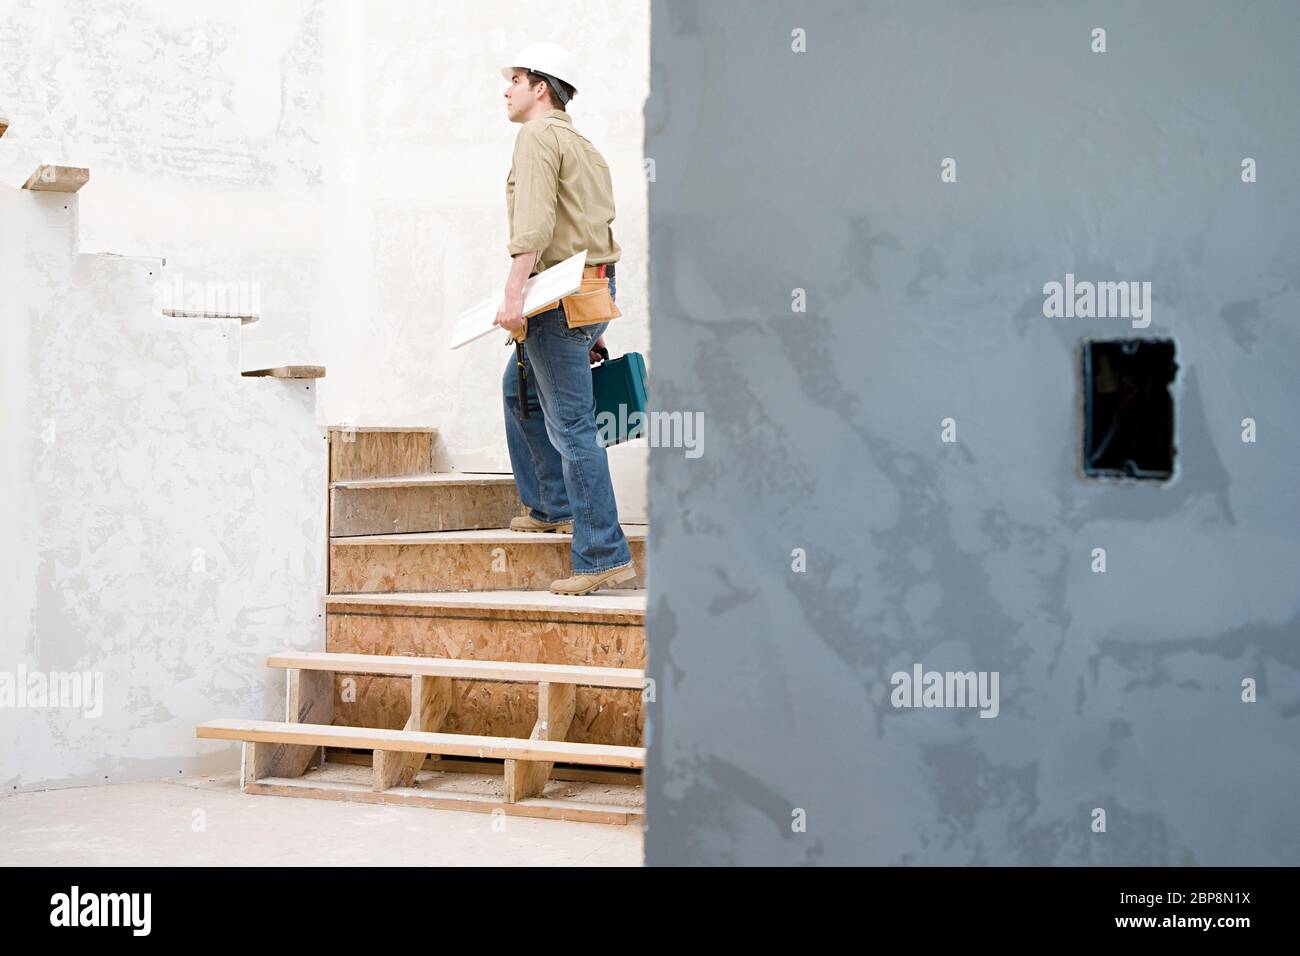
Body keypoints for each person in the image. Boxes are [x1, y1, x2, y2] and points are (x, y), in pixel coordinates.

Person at [492, 41, 636, 596]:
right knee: (518, 390)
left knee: (572, 426)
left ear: (541, 88)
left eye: (516, 79)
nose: (506, 90)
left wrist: (512, 295)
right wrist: (593, 322)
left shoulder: (537, 137)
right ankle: (551, 504)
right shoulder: (585, 146)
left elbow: (533, 223)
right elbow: (597, 232)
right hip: (591, 287)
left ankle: (603, 553)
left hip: (555, 295)